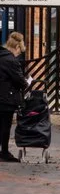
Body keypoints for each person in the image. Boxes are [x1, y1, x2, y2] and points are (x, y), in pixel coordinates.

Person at [0, 33, 29, 161]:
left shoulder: (1, 56)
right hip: (6, 98)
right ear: (17, 47)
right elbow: (20, 81)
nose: (18, 55)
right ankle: (4, 153)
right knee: (5, 126)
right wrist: (27, 82)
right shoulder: (11, 60)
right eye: (19, 51)